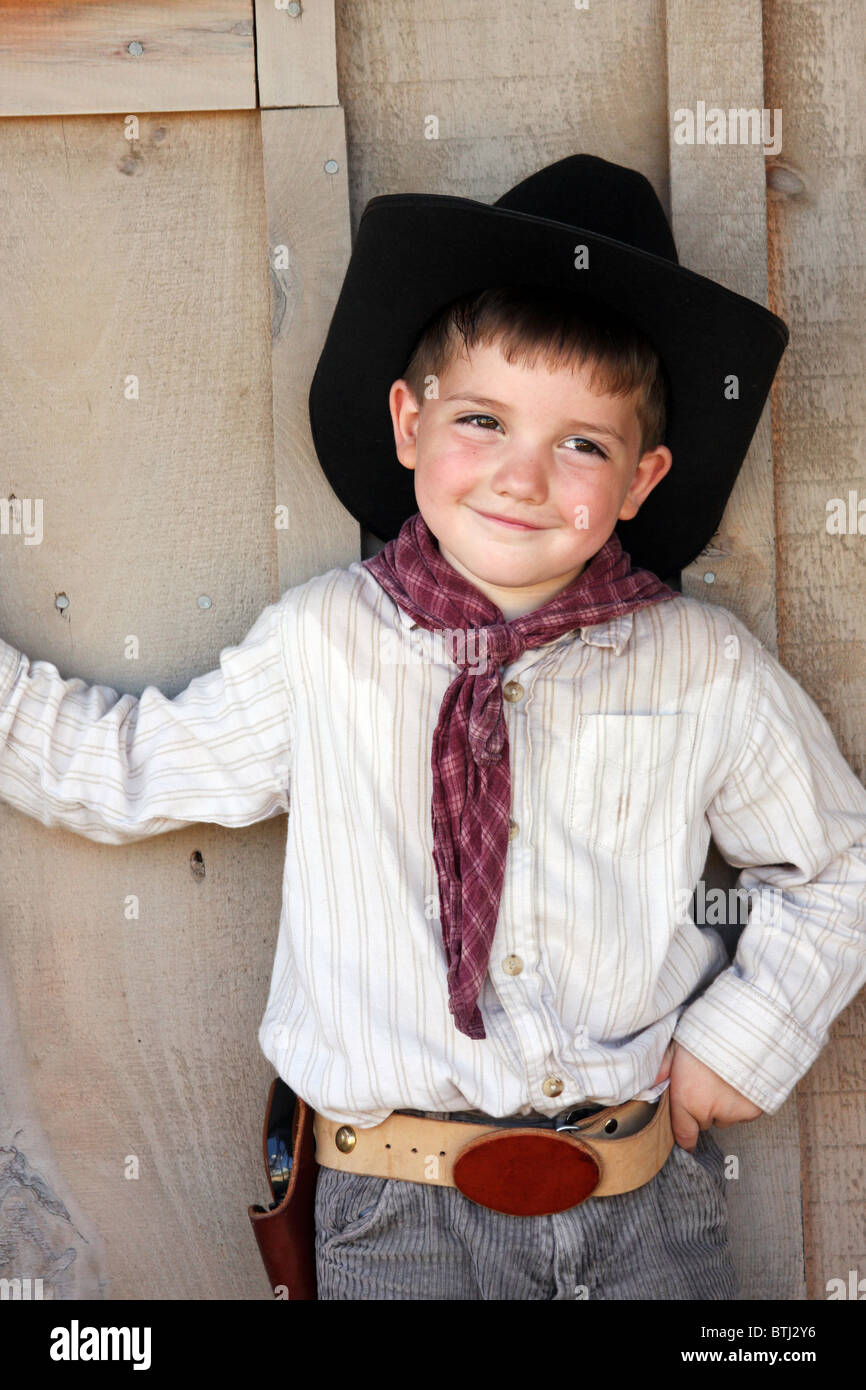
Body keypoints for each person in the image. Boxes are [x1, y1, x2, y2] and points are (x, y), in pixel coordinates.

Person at [2, 155, 865, 1301]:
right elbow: (120, 770)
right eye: (481, 419)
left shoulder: (696, 665)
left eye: (581, 443)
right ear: (408, 422)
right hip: (402, 1221)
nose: (520, 475)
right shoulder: (323, 648)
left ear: (642, 477)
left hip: (642, 1209)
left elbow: (835, 862)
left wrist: (734, 1046)